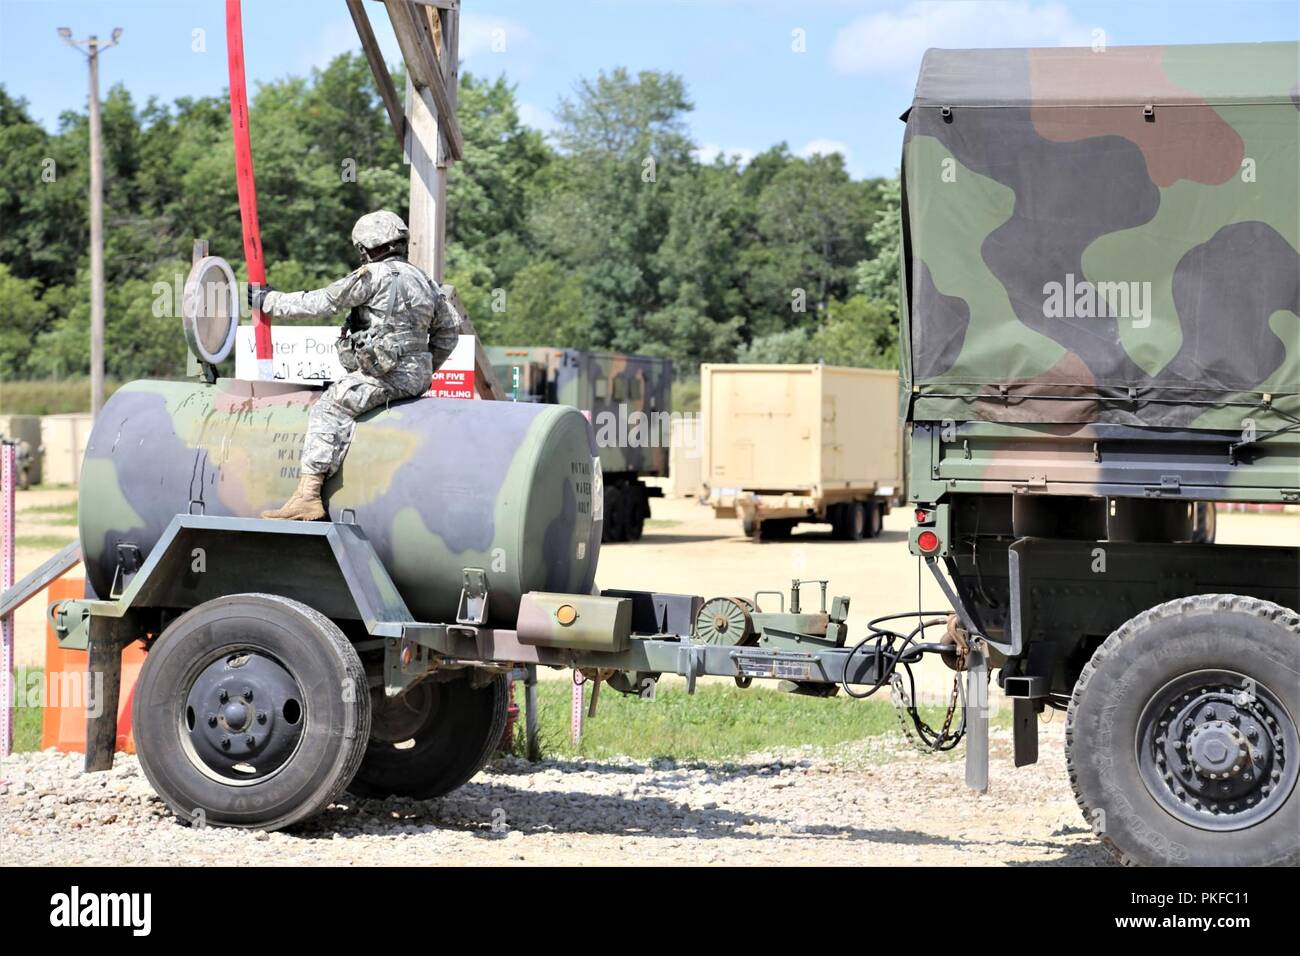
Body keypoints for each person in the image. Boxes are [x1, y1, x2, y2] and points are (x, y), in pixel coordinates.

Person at [250, 210, 458, 520]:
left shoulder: (371, 276)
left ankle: (307, 495)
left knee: (330, 405)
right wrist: (423, 368)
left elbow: (321, 302)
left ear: (367, 248)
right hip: (417, 378)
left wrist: (269, 301)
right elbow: (449, 332)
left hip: (387, 378)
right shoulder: (424, 280)